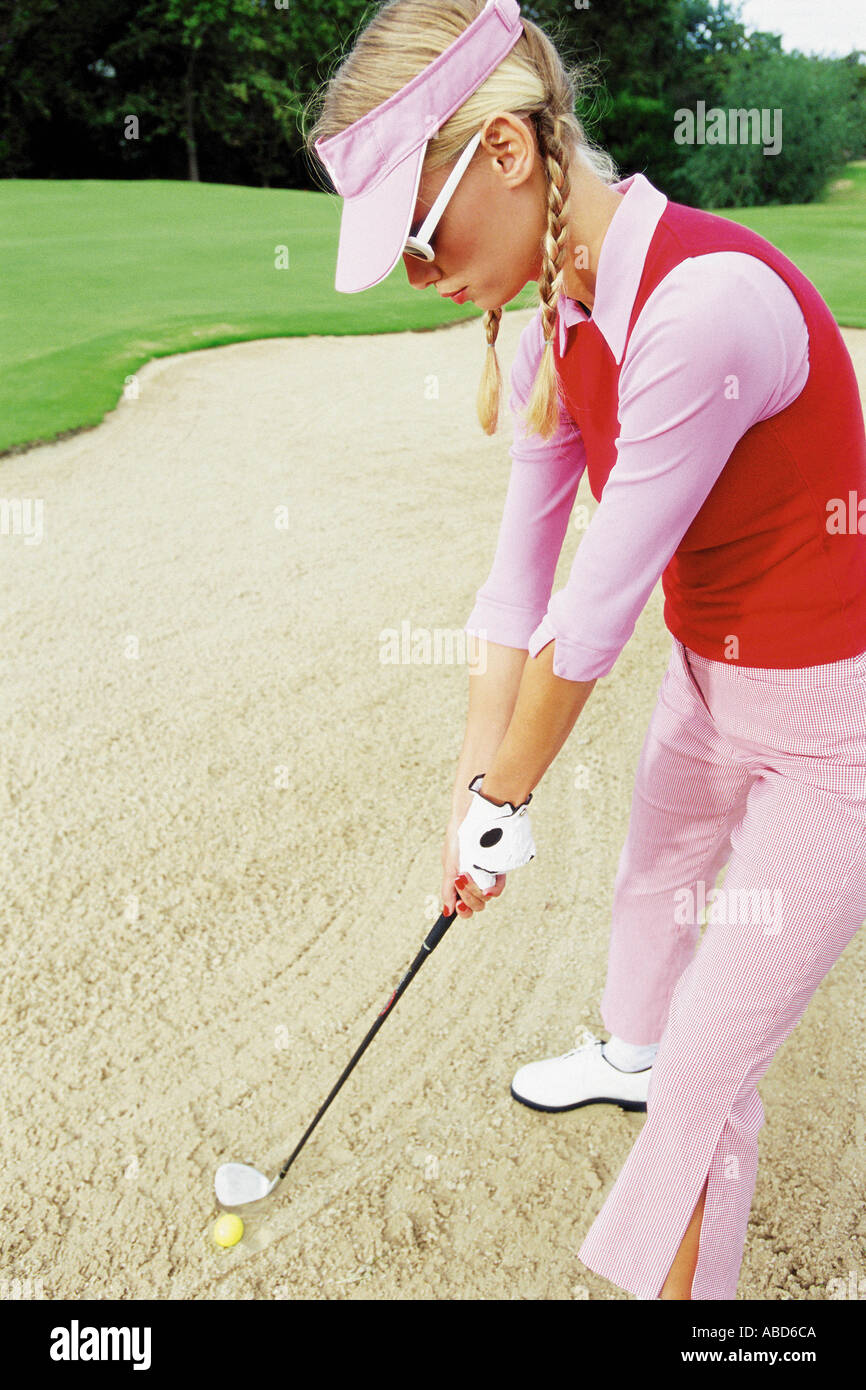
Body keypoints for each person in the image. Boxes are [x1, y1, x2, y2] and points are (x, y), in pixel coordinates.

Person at [305, 0, 866, 1300]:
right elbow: (516, 587)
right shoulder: (564, 317)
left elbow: (591, 612)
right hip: (707, 689)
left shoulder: (698, 307)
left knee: (708, 1076)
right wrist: (468, 798)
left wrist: (509, 794)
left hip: (834, 729)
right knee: (645, 889)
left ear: (504, 154)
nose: (419, 275)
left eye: (419, 234)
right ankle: (626, 1046)